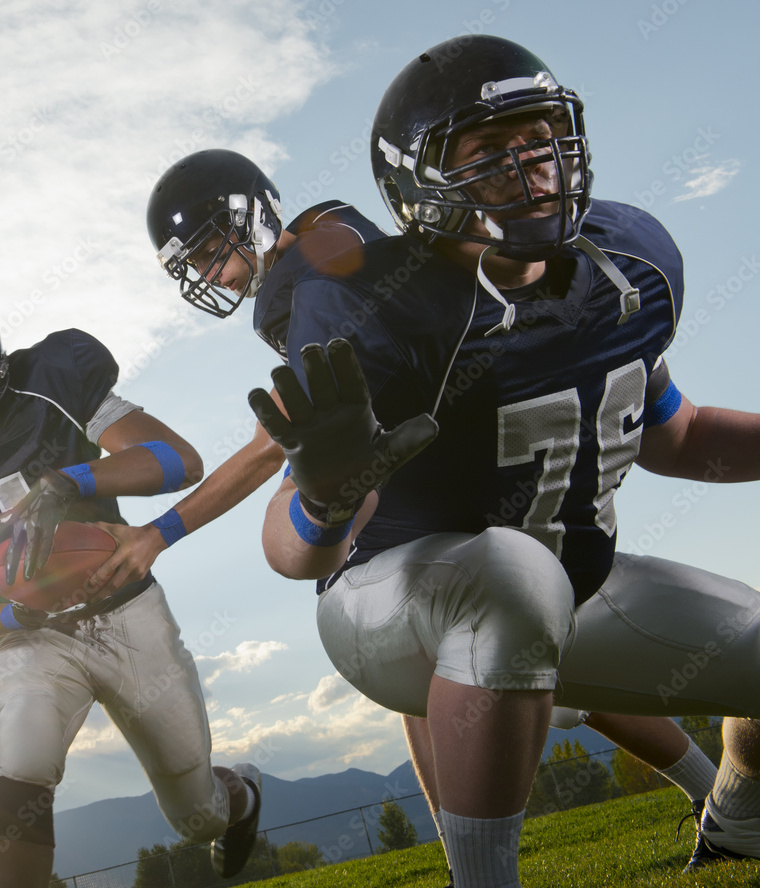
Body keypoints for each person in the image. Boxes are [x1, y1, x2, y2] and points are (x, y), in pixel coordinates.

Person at [245, 35, 760, 887]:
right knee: (513, 574)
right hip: (391, 609)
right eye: (487, 151)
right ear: (417, 184)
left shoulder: (628, 261)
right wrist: (326, 497)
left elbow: (682, 434)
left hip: (570, 593)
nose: (530, 166)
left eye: (538, 137)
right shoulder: (376, 302)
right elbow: (292, 552)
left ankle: (736, 823)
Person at [135, 149, 722, 881]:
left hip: (433, 491)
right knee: (514, 647)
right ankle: (691, 802)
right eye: (190, 263)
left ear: (253, 211)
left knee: (502, 643)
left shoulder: (319, 276)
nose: (210, 270)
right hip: (454, 491)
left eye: (209, 247)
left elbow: (274, 441)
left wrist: (158, 534)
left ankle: (681, 807)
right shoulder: (327, 249)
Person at [0, 278, 261, 888]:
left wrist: (70, 480)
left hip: (126, 603)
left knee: (197, 817)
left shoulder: (51, 377)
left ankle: (242, 797)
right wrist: (17, 620)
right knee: (20, 751)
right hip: (31, 629)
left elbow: (180, 460)